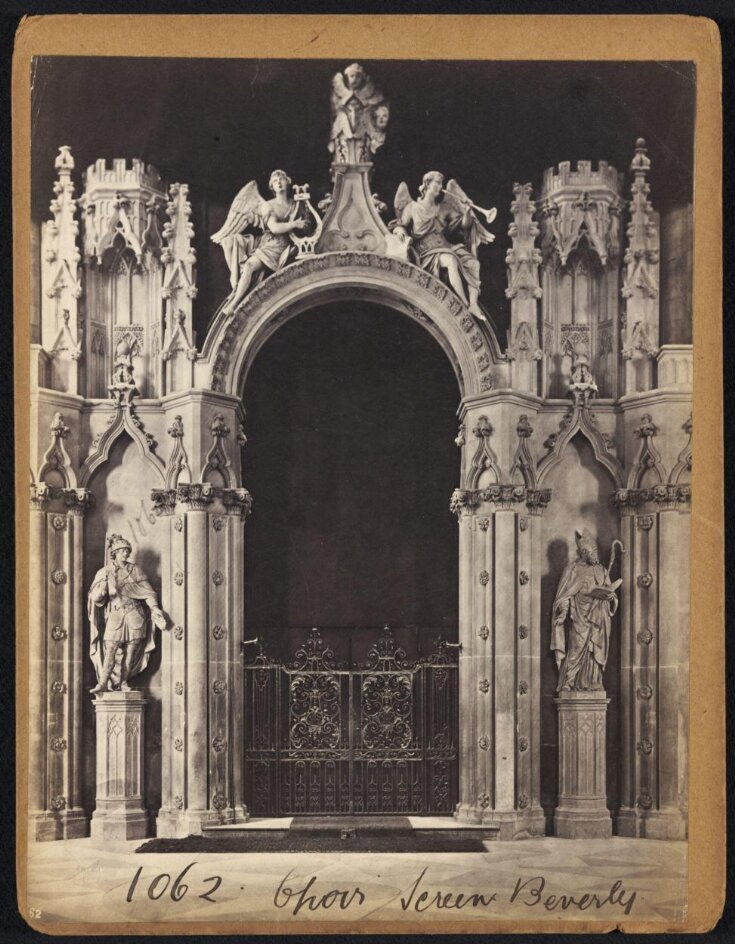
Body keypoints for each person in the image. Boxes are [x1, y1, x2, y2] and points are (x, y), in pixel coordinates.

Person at [394, 171, 489, 320]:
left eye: (441, 183)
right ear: (427, 184)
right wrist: (399, 229)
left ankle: (473, 304)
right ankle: (464, 305)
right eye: (437, 183)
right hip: (426, 250)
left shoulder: (443, 208)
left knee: (473, 263)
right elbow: (400, 224)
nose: (441, 187)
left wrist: (468, 210)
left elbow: (464, 225)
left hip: (445, 246)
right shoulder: (412, 207)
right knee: (451, 260)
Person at [214, 170, 308, 316]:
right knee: (241, 254)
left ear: (287, 182)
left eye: (282, 179)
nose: (279, 182)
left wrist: (305, 222)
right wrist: (295, 224)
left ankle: (238, 294)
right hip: (270, 244)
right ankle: (235, 302)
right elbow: (274, 228)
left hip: (285, 246)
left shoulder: (295, 204)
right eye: (275, 180)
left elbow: (307, 224)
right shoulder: (267, 206)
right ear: (272, 186)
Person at [88, 534, 167, 694]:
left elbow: (149, 593)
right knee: (110, 649)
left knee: (131, 653)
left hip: (135, 615)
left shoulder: (135, 571)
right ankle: (103, 682)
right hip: (116, 615)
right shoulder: (104, 573)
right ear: (115, 553)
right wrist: (101, 592)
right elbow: (94, 599)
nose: (126, 554)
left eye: (127, 551)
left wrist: (155, 608)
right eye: (122, 551)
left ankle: (124, 682)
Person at [550, 529, 621, 692]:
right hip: (579, 618)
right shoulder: (572, 570)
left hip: (598, 618)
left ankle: (594, 681)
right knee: (576, 648)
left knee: (594, 649)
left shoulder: (602, 570)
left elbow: (611, 592)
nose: (595, 555)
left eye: (596, 552)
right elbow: (564, 595)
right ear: (583, 552)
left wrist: (610, 598)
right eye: (592, 552)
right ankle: (569, 681)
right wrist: (562, 614)